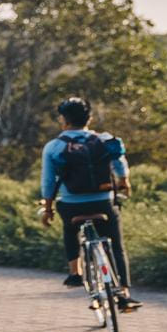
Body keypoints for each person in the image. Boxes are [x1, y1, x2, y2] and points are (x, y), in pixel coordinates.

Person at [40, 96, 142, 311]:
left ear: (63, 120)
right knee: (116, 243)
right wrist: (125, 183)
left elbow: (48, 183)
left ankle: (75, 273)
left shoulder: (54, 146)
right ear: (90, 118)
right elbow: (120, 164)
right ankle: (123, 291)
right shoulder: (105, 140)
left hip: (70, 204)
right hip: (103, 202)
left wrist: (48, 209)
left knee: (70, 228)